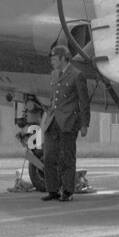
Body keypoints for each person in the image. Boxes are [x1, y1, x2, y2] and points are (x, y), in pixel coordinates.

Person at [40, 44, 90, 202]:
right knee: (48, 157)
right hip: (53, 121)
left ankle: (67, 191)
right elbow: (53, 99)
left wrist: (84, 124)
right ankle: (52, 190)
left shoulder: (77, 75)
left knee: (66, 158)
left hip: (68, 122)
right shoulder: (54, 74)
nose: (52, 62)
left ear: (63, 58)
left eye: (55, 59)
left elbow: (84, 102)